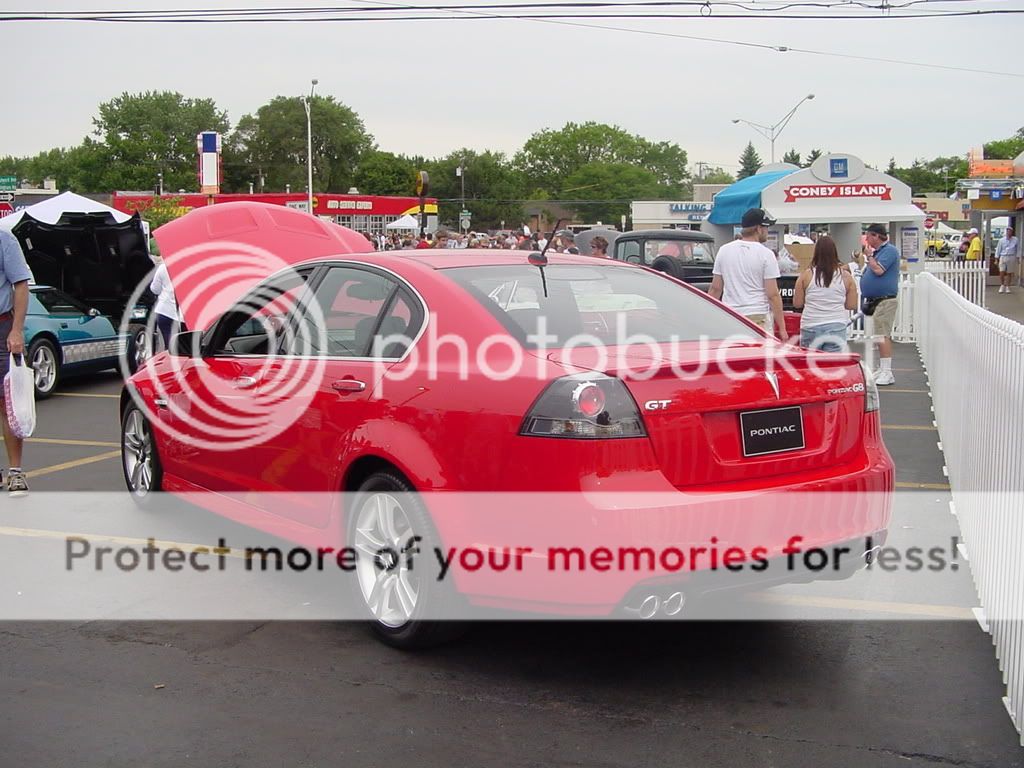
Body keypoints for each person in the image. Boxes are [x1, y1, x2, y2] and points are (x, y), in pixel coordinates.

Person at [708, 208, 789, 341]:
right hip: (757, 316)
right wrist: (782, 328)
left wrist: (708, 317)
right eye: (766, 227)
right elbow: (773, 295)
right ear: (759, 229)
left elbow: (715, 289)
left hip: (731, 315)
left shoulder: (724, 250)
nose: (767, 231)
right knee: (759, 354)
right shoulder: (766, 254)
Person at [0, 228, 32, 496]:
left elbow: (21, 285)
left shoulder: (4, 239)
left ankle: (15, 471)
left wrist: (16, 330)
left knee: (8, 402)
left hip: (2, 327)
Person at [793, 236, 858, 353]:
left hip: (811, 324)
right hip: (836, 325)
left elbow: (797, 304)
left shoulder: (806, 275)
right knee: (832, 363)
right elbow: (851, 305)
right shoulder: (846, 277)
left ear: (816, 253)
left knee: (810, 363)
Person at [860, 223, 900, 386]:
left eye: (869, 235)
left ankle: (887, 371)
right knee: (878, 335)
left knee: (883, 335)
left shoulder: (889, 251)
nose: (867, 239)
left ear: (876, 236)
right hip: (877, 300)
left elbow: (879, 270)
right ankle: (882, 368)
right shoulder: (880, 252)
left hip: (885, 299)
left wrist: (869, 257)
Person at [149, 261, 183, 350]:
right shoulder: (190, 268)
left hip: (164, 310)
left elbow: (155, 289)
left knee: (169, 345)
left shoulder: (163, 267)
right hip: (183, 314)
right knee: (185, 348)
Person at [996, 225, 1018, 293]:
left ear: (1012, 232)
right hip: (1003, 256)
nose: (1009, 232)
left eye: (1010, 231)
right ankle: (1002, 285)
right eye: (1007, 231)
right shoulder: (1001, 240)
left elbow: (1018, 248)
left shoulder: (1015, 239)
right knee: (1001, 271)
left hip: (1011, 256)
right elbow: (998, 249)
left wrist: (1018, 257)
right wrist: (996, 258)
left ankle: (1008, 286)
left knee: (1009, 272)